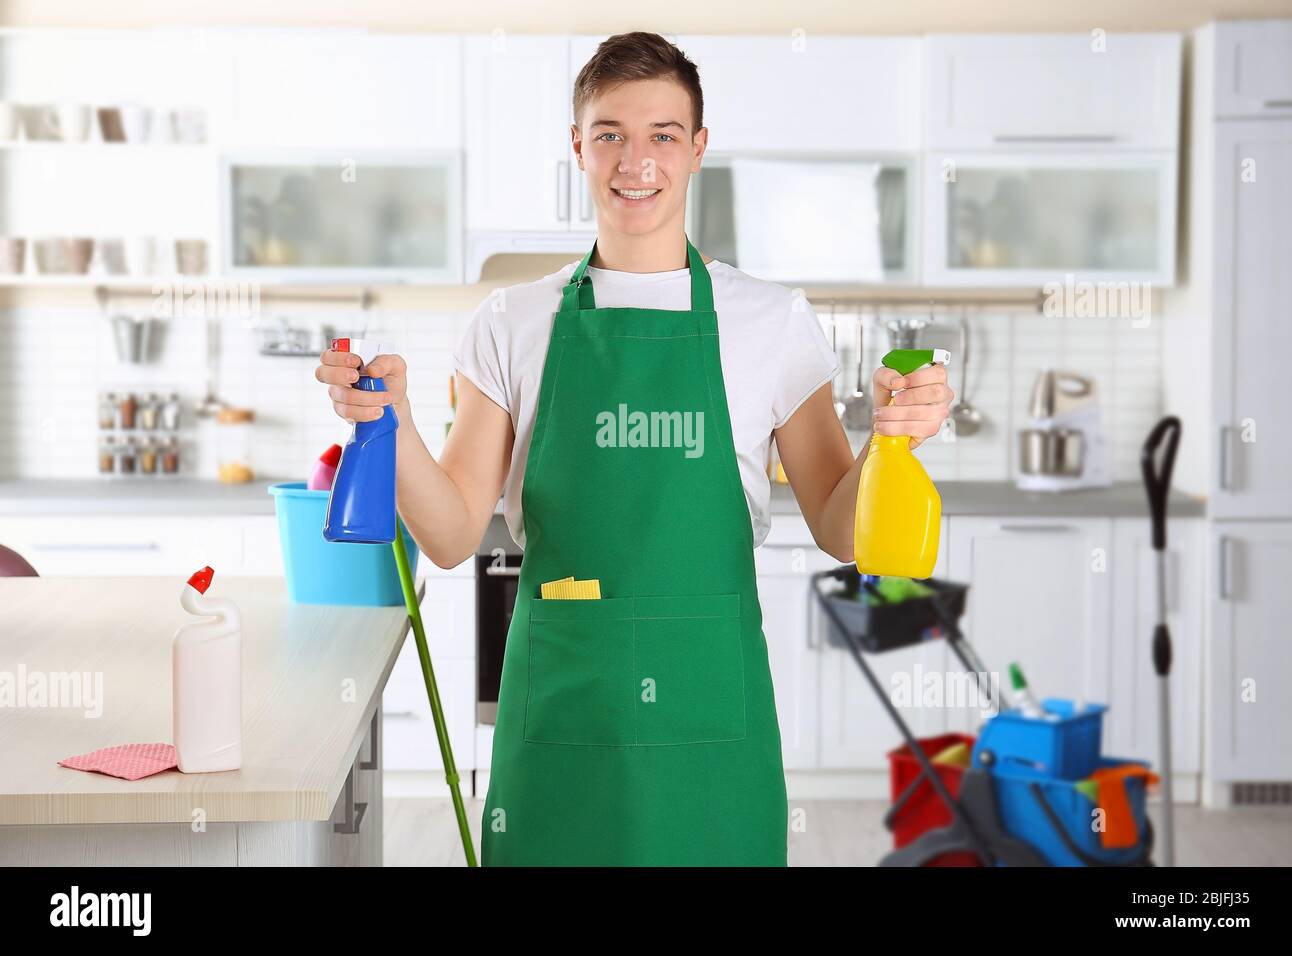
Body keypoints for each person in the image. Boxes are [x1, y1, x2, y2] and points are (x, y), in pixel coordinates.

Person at [316, 31, 953, 866]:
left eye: (662, 135)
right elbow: (451, 534)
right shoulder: (511, 321)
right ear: (578, 146)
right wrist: (387, 421)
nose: (635, 159)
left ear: (697, 150)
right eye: (610, 133)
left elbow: (843, 527)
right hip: (564, 717)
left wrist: (891, 440)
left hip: (708, 719)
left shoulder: (772, 320)